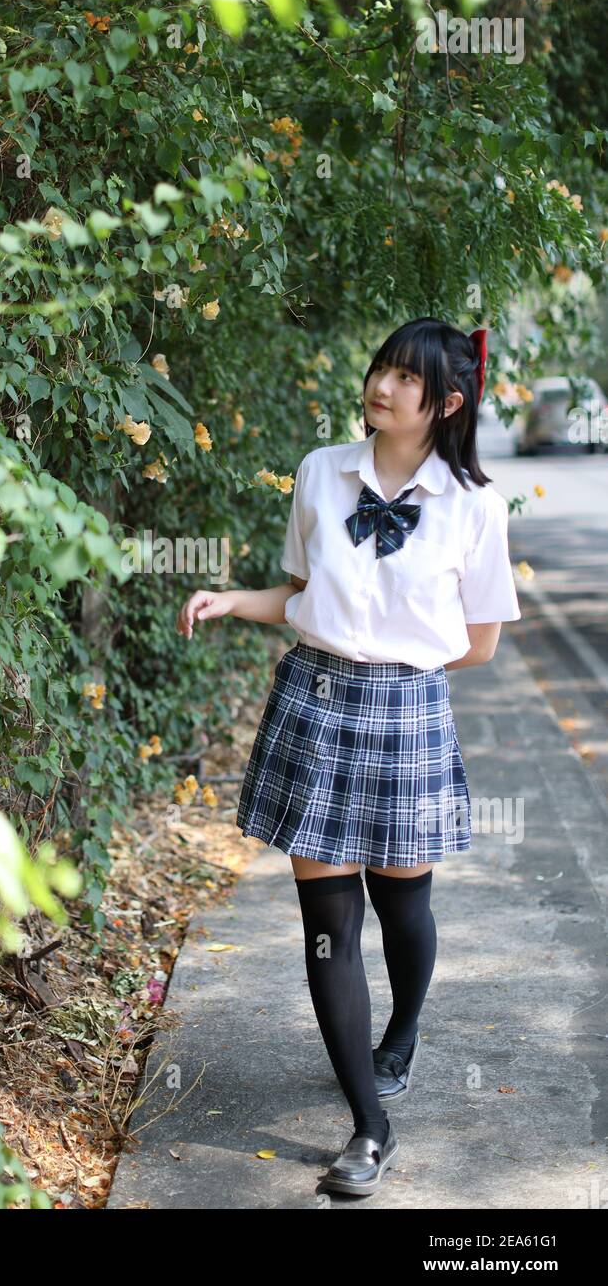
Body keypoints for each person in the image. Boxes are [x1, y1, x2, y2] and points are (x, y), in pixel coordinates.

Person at [175, 317, 522, 1199]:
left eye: (407, 379)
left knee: (405, 904)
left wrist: (396, 661)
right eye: (380, 368)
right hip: (316, 704)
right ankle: (370, 1126)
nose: (382, 385)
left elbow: (479, 644)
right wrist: (227, 600)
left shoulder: (476, 505)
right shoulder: (320, 471)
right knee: (328, 919)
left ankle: (401, 1032)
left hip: (407, 707)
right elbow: (299, 597)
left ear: (445, 402)